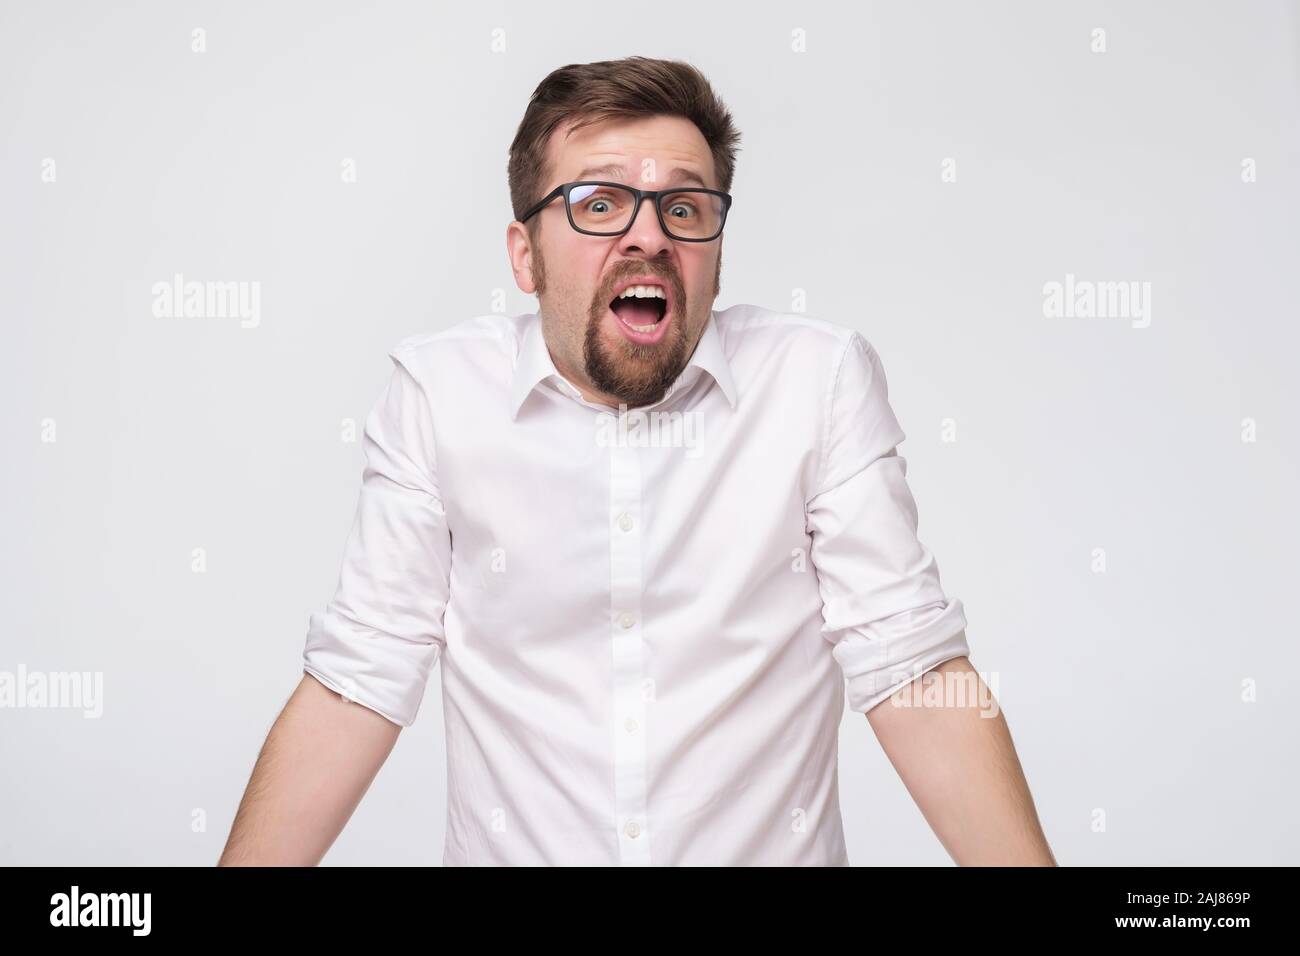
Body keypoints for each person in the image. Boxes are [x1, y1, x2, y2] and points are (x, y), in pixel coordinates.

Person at [219, 56, 1055, 867]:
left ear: (715, 250)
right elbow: (359, 679)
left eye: (684, 208)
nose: (648, 236)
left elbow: (911, 671)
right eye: (600, 202)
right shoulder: (438, 395)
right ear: (525, 254)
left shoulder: (819, 381)